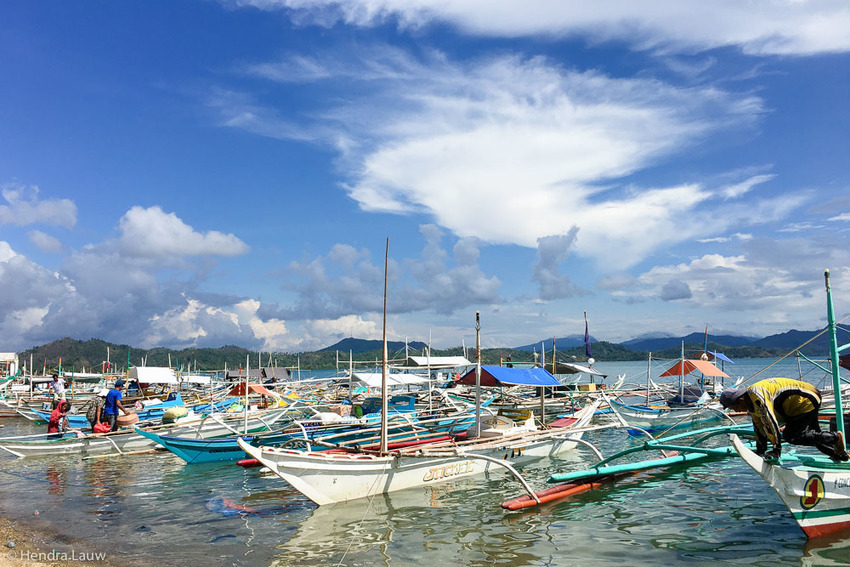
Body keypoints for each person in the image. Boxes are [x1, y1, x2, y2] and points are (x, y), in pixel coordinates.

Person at [719, 377, 849, 462]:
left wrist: (776, 449)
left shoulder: (756, 395)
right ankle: (841, 456)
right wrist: (760, 450)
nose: (735, 411)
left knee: (792, 436)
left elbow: (769, 421)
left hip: (804, 399)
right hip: (797, 403)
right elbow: (759, 427)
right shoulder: (750, 404)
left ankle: (835, 437)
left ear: (740, 399)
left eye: (733, 407)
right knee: (813, 435)